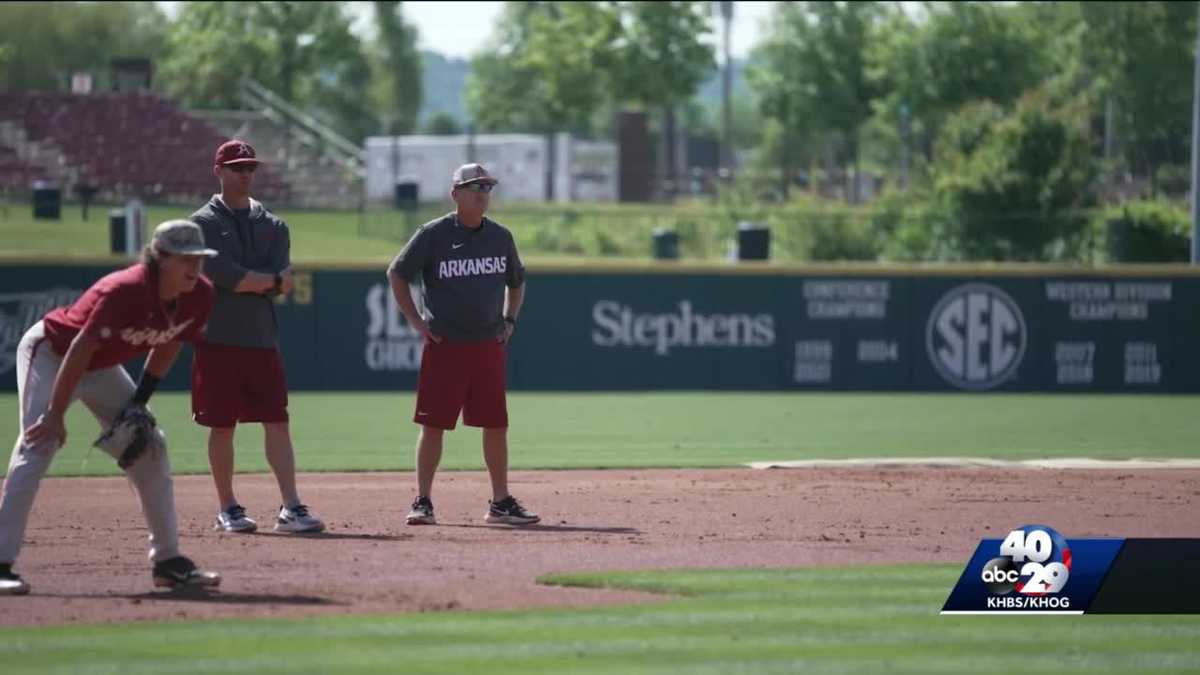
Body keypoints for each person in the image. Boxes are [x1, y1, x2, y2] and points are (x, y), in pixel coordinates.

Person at [0, 220, 223, 595]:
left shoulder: (200, 294)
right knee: (38, 443)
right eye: (185, 258)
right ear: (160, 257)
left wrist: (139, 403)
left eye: (198, 258)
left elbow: (171, 342)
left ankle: (168, 562)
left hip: (101, 366)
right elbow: (80, 348)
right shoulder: (125, 290)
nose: (194, 266)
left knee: (151, 445)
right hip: (53, 353)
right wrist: (55, 414)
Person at [387, 163, 539, 526]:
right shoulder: (434, 234)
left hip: (487, 344)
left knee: (495, 424)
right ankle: (423, 500)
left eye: (487, 187)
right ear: (456, 194)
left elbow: (516, 281)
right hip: (446, 345)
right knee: (434, 424)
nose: (482, 192)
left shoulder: (500, 237)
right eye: (474, 187)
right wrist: (415, 320)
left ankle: (500, 502)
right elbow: (397, 273)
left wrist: (510, 320)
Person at [190, 139, 324, 534]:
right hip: (217, 339)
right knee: (222, 425)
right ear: (219, 171)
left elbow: (283, 283)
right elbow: (229, 276)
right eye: (236, 167)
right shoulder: (202, 223)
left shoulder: (274, 225)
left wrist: (257, 281)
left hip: (262, 339)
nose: (245, 174)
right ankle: (227, 506)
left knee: (277, 422)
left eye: (250, 167)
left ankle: (291, 506)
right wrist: (261, 280)